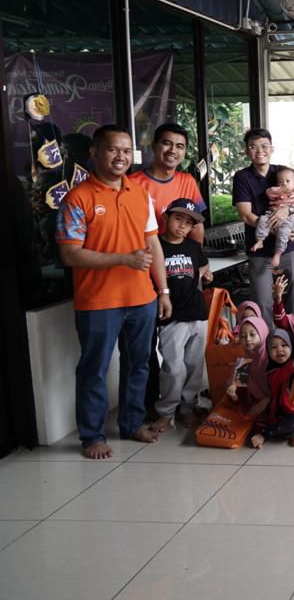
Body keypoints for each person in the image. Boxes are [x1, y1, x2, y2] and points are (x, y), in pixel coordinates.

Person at [56, 126, 173, 459]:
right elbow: (70, 253)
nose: (120, 156)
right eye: (112, 150)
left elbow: (153, 244)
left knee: (140, 365)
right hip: (98, 302)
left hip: (142, 299)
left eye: (126, 150)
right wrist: (122, 259)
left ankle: (132, 422)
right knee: (94, 369)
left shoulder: (139, 193)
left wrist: (162, 290)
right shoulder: (77, 198)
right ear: (95, 152)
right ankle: (91, 435)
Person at [129, 122, 207, 415]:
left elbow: (197, 228)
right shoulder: (136, 182)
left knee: (184, 351)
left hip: (179, 272)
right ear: (154, 146)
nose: (172, 151)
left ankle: (181, 405)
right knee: (149, 348)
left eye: (180, 146)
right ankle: (153, 407)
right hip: (144, 272)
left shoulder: (187, 180)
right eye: (167, 144)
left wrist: (198, 264)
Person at [151, 199, 212, 432]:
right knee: (173, 367)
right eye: (178, 219)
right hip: (171, 316)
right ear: (166, 218)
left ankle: (188, 407)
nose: (182, 226)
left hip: (197, 313)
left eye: (188, 223)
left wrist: (204, 276)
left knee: (194, 366)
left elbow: (204, 266)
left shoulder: (193, 247)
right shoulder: (156, 245)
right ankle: (166, 411)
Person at [232, 128, 294, 322]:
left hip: (289, 247)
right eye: (253, 147)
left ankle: (293, 345)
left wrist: (287, 211)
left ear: (272, 149)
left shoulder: (282, 172)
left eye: (264, 146)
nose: (260, 151)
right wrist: (275, 230)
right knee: (263, 303)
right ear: (247, 151)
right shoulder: (242, 177)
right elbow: (246, 215)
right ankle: (267, 348)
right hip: (260, 251)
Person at [249, 166, 294, 268]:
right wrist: (281, 189)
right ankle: (260, 240)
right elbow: (269, 192)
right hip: (272, 213)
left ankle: (278, 253)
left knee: (284, 232)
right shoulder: (277, 191)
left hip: (289, 217)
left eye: (288, 181)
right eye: (280, 182)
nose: (284, 183)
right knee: (262, 220)